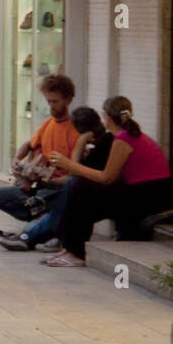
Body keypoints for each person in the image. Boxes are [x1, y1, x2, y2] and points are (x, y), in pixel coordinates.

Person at [46, 96, 173, 267]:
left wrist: (69, 165)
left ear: (106, 117)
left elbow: (107, 178)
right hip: (147, 193)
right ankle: (71, 248)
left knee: (78, 186)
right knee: (79, 190)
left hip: (149, 197)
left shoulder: (122, 139)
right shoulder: (127, 136)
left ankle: (75, 251)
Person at [0, 106, 114, 252]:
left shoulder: (103, 143)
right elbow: (75, 171)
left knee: (62, 201)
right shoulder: (89, 143)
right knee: (57, 200)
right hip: (69, 190)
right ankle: (37, 231)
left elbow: (74, 172)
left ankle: (26, 237)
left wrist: (80, 143)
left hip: (88, 194)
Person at [0, 75, 79, 247]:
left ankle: (39, 222)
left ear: (68, 99)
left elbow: (74, 176)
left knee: (51, 198)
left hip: (56, 188)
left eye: (55, 101)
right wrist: (17, 159)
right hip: (38, 186)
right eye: (48, 101)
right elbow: (29, 144)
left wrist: (49, 181)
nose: (51, 106)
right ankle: (39, 216)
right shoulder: (48, 124)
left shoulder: (75, 131)